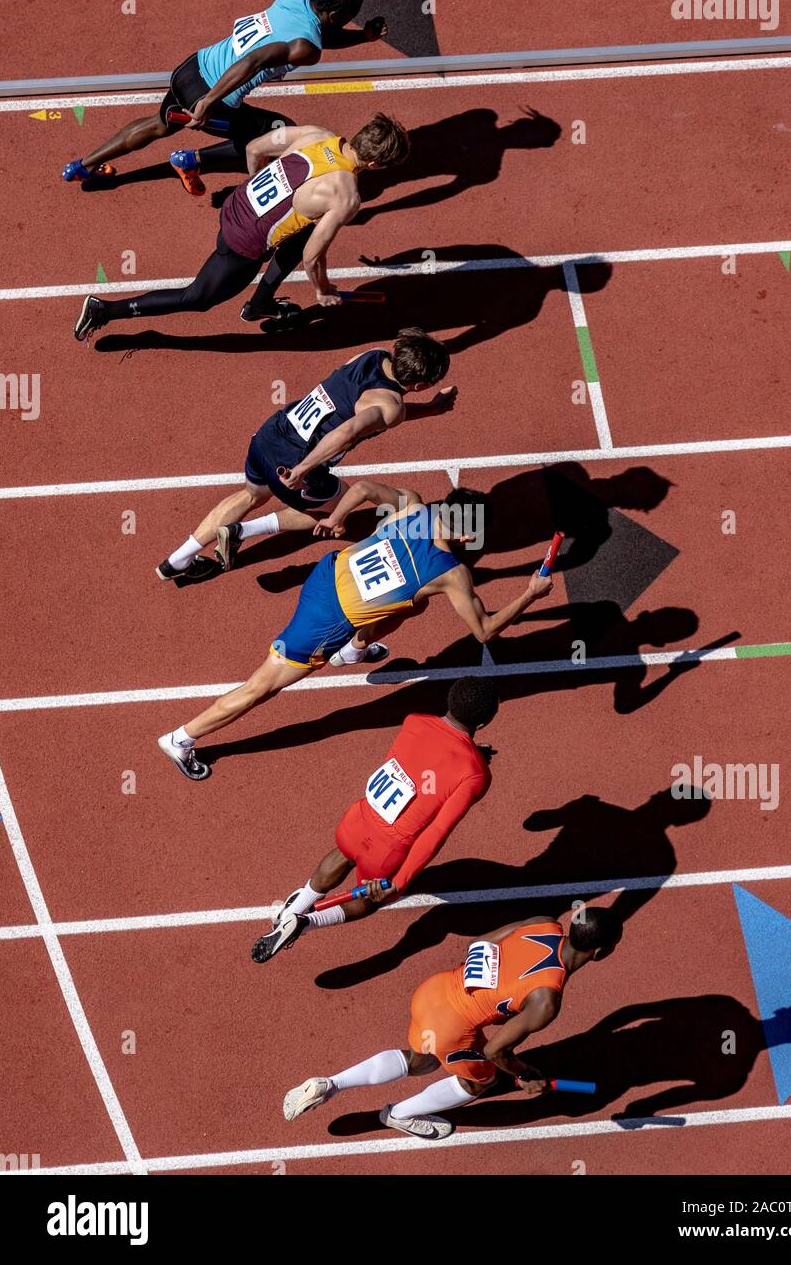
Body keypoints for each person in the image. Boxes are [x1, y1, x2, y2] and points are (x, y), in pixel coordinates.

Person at [156, 482, 553, 780]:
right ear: (468, 533)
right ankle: (182, 739)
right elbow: (484, 631)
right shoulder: (452, 574)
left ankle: (355, 650)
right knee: (261, 688)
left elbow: (361, 488)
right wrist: (530, 595)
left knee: (414, 600)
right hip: (327, 621)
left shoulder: (412, 505)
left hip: (327, 574)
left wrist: (335, 519)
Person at [281, 905, 622, 1140]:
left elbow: (479, 944)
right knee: (482, 1080)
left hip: (434, 991)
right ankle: (399, 1114)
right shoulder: (547, 999)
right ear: (601, 953)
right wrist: (522, 1073)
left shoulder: (543, 923)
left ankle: (331, 1084)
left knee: (420, 1060)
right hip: (451, 1028)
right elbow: (494, 1050)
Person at [73, 114, 409, 341]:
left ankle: (260, 303)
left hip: (236, 204)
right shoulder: (346, 196)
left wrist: (255, 186)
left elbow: (254, 148)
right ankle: (106, 309)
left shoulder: (316, 134)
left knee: (303, 226)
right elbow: (312, 257)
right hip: (243, 243)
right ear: (376, 164)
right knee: (197, 298)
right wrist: (323, 290)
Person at [155, 330, 455, 584]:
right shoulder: (391, 407)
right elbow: (347, 431)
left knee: (251, 495)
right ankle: (240, 531)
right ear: (419, 385)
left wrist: (431, 408)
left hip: (270, 435)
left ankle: (177, 560)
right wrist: (302, 469)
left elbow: (366, 407)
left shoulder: (374, 355)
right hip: (294, 463)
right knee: (340, 505)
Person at [61, 0, 388, 194]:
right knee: (279, 134)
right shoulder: (306, 47)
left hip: (192, 68)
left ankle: (82, 165)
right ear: (335, 16)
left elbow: (313, 37)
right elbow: (254, 60)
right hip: (212, 96)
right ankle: (193, 162)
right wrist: (209, 102)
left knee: (158, 124)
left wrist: (363, 37)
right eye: (348, 19)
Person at [251, 677, 499, 961]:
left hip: (356, 822)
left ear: (450, 699)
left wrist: (469, 753)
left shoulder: (414, 721)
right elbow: (437, 832)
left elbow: (427, 757)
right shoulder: (476, 775)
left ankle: (294, 909)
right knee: (369, 901)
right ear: (483, 723)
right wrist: (401, 880)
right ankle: (306, 923)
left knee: (344, 854)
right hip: (387, 853)